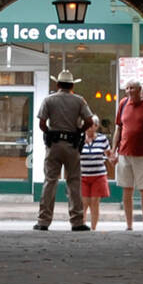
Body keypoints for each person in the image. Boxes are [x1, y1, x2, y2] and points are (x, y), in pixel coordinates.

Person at [34, 70, 96, 231]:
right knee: (74, 182)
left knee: (50, 181)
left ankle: (43, 221)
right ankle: (77, 221)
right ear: (72, 85)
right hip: (72, 145)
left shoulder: (49, 100)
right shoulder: (79, 101)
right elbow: (89, 120)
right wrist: (79, 130)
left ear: (58, 84)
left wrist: (49, 133)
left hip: (54, 145)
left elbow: (42, 123)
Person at [111, 80, 143, 231]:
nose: (128, 91)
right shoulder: (123, 103)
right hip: (124, 153)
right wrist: (114, 150)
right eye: (127, 88)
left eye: (131, 88)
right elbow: (118, 129)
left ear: (140, 89)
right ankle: (129, 225)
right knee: (127, 189)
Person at [80, 115, 114, 230]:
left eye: (92, 125)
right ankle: (82, 225)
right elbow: (74, 156)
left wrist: (113, 159)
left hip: (98, 175)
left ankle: (93, 228)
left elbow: (108, 154)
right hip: (83, 175)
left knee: (94, 202)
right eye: (87, 126)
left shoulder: (102, 139)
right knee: (84, 203)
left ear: (96, 126)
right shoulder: (79, 139)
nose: (89, 128)